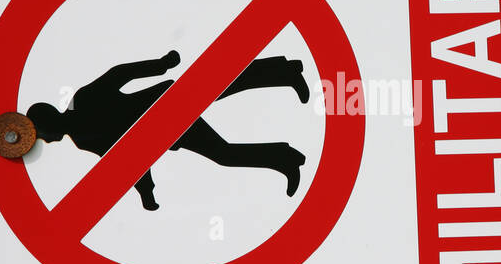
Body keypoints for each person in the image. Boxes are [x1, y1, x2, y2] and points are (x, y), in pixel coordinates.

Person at [27, 51, 309, 211]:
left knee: (222, 84)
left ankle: (284, 71)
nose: (46, 141)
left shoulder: (84, 100)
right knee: (224, 152)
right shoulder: (83, 140)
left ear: (49, 122)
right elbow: (130, 161)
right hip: (167, 131)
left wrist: (160, 65)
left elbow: (119, 73)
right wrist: (146, 193)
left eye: (40, 134)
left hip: (166, 104)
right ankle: (285, 158)